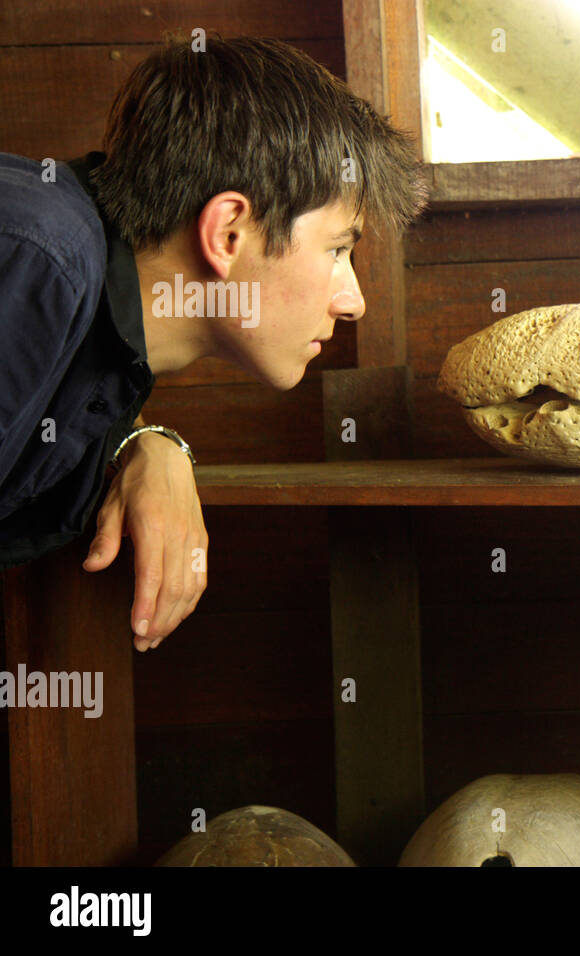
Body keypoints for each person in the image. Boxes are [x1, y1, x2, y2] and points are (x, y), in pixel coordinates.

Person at [0, 35, 427, 651]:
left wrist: (145, 443)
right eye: (338, 249)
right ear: (227, 233)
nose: (352, 300)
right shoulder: (36, 260)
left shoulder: (78, 275)